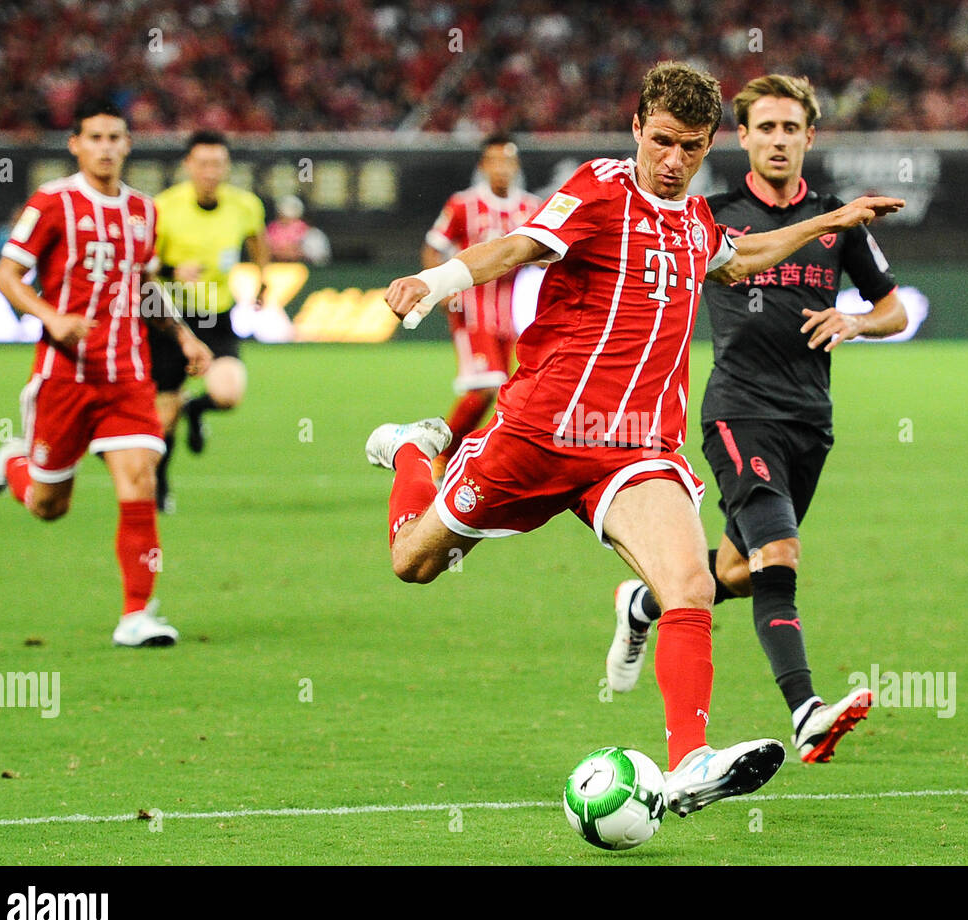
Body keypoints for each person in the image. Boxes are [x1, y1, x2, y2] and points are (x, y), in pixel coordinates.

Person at [367, 62, 904, 815]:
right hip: (540, 433)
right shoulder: (601, 188)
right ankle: (412, 452)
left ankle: (689, 761)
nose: (673, 160)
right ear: (636, 131)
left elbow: (738, 258)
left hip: (638, 449)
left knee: (686, 585)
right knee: (413, 563)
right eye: (661, 142)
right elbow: (519, 246)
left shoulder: (695, 222)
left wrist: (827, 224)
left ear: (710, 142)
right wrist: (438, 281)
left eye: (689, 146)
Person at [605, 74, 909, 765]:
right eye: (764, 128)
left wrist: (856, 321)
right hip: (738, 410)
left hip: (810, 419)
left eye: (789, 128)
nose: (777, 140)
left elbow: (895, 308)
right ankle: (805, 709)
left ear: (809, 137)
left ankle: (643, 606)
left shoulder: (839, 220)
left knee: (741, 572)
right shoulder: (710, 215)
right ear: (739, 137)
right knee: (781, 555)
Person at [0, 98, 213, 646]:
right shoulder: (52, 202)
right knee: (48, 506)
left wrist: (183, 334)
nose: (106, 147)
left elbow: (143, 283)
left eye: (115, 137)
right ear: (76, 145)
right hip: (65, 376)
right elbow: (8, 274)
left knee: (140, 478)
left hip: (127, 374)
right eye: (95, 137)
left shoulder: (144, 211)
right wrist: (52, 316)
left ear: (128, 145)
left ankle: (137, 615)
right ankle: (13, 463)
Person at [149, 130, 269, 512]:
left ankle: (195, 409)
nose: (210, 171)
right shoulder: (164, 207)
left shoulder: (245, 205)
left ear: (227, 166)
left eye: (218, 163)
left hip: (216, 316)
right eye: (202, 163)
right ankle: (160, 486)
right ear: (188, 165)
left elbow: (257, 242)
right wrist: (172, 268)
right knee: (162, 414)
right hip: (170, 319)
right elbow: (144, 266)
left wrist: (263, 279)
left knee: (228, 395)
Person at [421, 133, 541, 480]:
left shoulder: (531, 208)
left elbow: (545, 256)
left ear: (516, 166)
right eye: (495, 161)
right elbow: (433, 246)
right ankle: (441, 456)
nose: (501, 168)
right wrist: (438, 289)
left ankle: (474, 461)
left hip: (513, 314)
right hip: (471, 310)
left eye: (508, 161)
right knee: (486, 386)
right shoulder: (463, 204)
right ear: (483, 166)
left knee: (508, 393)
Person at [266, 194, 331, 266]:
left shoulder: (313, 235)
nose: (286, 221)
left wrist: (298, 252)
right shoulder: (267, 232)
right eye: (282, 217)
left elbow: (320, 259)